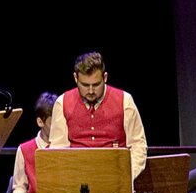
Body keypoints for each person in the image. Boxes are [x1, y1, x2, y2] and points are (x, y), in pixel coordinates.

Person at [44, 52, 148, 181]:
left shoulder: (125, 101)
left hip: (116, 178)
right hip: (77, 180)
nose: (91, 91)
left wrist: (126, 176)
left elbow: (138, 146)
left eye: (96, 84)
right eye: (85, 85)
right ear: (75, 78)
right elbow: (58, 151)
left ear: (105, 77)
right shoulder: (62, 103)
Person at [8, 91, 58, 193]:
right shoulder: (24, 150)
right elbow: (19, 187)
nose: (58, 127)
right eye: (53, 123)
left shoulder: (67, 147)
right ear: (40, 122)